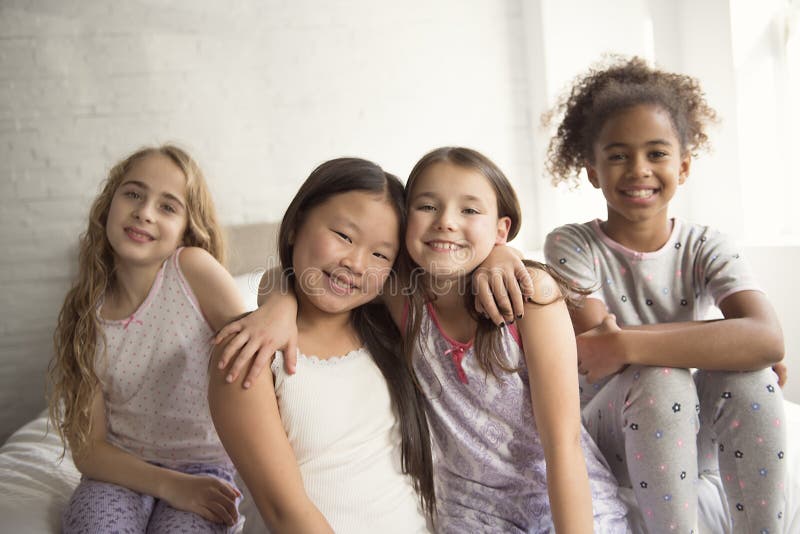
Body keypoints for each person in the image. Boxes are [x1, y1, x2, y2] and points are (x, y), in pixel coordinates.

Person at [218, 148, 629, 533]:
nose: (446, 221)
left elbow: (564, 446)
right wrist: (278, 304)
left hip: (566, 505)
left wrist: (503, 255)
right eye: (427, 206)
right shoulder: (399, 296)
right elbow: (299, 276)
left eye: (469, 209)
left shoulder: (529, 296)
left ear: (501, 228)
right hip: (469, 517)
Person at [541, 56, 787, 533]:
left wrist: (626, 342)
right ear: (592, 170)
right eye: (618, 156)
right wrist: (724, 339)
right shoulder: (571, 245)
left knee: (753, 377)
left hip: (689, 432)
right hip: (611, 431)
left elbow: (767, 339)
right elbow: (598, 352)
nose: (639, 170)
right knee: (661, 377)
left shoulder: (706, 244)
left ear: (683, 166)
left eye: (656, 153)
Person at [208, 158, 435, 533]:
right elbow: (285, 513)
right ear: (296, 225)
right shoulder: (250, 351)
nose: (356, 263)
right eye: (344, 236)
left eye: (380, 254)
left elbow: (466, 268)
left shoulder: (391, 328)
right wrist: (279, 301)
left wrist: (502, 255)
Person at [48, 145, 245, 533]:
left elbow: (257, 347)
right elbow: (89, 450)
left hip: (206, 468)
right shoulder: (85, 314)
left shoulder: (192, 271)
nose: (145, 212)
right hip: (121, 470)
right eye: (133, 194)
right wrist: (169, 486)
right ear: (109, 203)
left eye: (167, 206)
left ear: (187, 228)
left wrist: (281, 308)